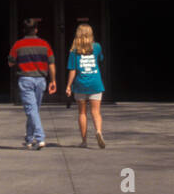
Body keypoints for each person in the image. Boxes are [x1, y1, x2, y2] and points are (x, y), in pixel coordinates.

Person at [7, 18, 56, 149]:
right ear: (36, 30)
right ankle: (29, 139)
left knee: (31, 110)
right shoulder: (45, 44)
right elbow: (51, 63)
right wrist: (53, 80)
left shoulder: (18, 45)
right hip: (40, 80)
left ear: (24, 30)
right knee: (33, 110)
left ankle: (40, 137)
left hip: (26, 79)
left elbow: (10, 62)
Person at [65, 24, 105, 148]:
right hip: (95, 83)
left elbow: (72, 70)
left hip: (80, 84)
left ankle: (84, 141)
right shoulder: (97, 47)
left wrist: (68, 86)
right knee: (96, 112)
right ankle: (98, 131)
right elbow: (101, 59)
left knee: (82, 113)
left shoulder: (74, 50)